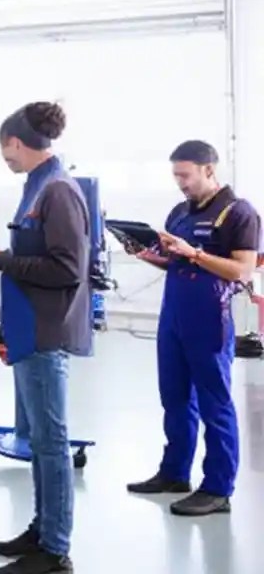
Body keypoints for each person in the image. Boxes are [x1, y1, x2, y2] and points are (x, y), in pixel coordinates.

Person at [0, 101, 89, 574]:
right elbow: (33, 252)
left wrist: (1, 262)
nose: (4, 158)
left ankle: (55, 551)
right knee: (38, 442)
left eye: (4, 149)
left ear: (15, 143)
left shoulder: (58, 190)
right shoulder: (37, 185)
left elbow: (68, 268)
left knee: (51, 442)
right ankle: (40, 529)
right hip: (29, 327)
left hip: (46, 330)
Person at [124, 140, 259, 516]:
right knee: (175, 397)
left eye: (185, 175)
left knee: (214, 402)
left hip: (210, 318)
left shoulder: (238, 213)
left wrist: (196, 253)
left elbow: (243, 271)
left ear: (209, 169)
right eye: (175, 176)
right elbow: (175, 263)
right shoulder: (180, 213)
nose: (179, 183)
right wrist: (149, 255)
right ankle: (174, 472)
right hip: (174, 316)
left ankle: (218, 487)